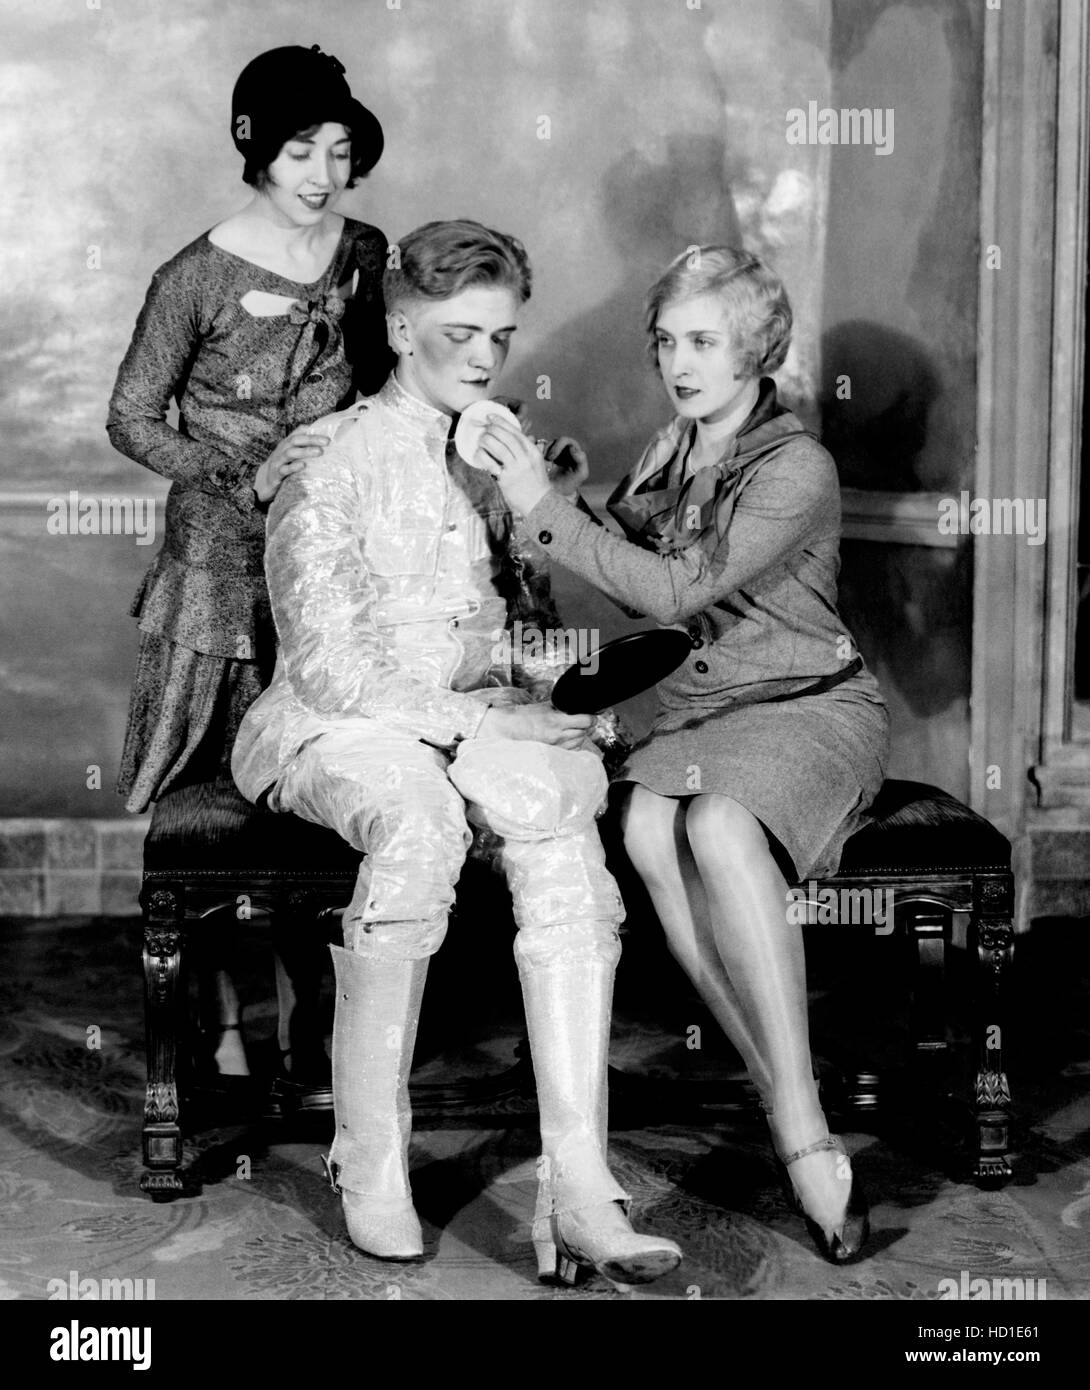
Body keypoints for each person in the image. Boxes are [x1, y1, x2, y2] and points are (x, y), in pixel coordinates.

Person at [232, 219, 683, 1286]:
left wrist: (543, 695)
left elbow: (487, 640)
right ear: (399, 328)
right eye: (462, 332)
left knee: (561, 829)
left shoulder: (490, 460)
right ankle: (369, 1158)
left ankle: (578, 1186)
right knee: (419, 820)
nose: (486, 357)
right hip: (327, 726)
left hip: (456, 713)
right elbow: (333, 669)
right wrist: (486, 722)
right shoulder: (333, 457)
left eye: (503, 334)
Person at [477, 245, 891, 1264]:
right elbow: (627, 573)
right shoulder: (674, 449)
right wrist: (562, 504)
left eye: (702, 341)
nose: (678, 360)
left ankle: (800, 1128)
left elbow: (671, 593)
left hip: (809, 705)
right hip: (709, 713)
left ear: (754, 346)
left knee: (711, 822)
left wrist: (545, 510)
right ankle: (778, 1089)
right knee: (652, 827)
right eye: (666, 340)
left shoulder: (794, 464)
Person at [107, 45, 391, 1107]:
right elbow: (130, 414)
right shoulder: (194, 274)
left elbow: (383, 382)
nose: (322, 170)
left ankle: (320, 1035)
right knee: (216, 803)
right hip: (219, 572)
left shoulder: (364, 250)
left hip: (327, 562)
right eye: (298, 147)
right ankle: (224, 1031)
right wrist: (241, 465)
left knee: (323, 797)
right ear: (251, 147)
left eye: (337, 148)